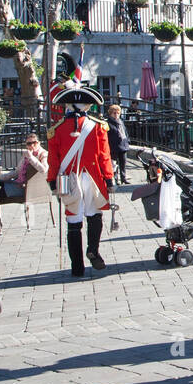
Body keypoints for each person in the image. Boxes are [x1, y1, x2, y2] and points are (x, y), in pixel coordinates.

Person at [47, 85, 115, 277]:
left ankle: (77, 266)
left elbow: (53, 160)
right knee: (94, 215)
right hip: (92, 177)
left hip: (67, 178)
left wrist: (52, 181)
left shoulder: (57, 129)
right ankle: (93, 249)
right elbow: (104, 156)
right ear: (86, 106)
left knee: (73, 221)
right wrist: (109, 179)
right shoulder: (98, 126)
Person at [0, 134, 49, 204]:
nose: (32, 145)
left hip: (30, 189)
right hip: (21, 184)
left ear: (39, 143)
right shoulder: (27, 154)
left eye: (34, 143)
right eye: (29, 144)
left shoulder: (43, 154)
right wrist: (1, 177)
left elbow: (44, 170)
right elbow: (17, 172)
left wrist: (31, 157)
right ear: (26, 145)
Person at [106, 104, 131, 185]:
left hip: (123, 145)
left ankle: (123, 178)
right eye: (114, 113)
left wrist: (128, 141)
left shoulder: (121, 121)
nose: (116, 115)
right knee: (114, 164)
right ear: (110, 114)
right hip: (114, 146)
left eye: (117, 113)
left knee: (123, 163)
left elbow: (125, 132)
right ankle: (115, 179)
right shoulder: (108, 123)